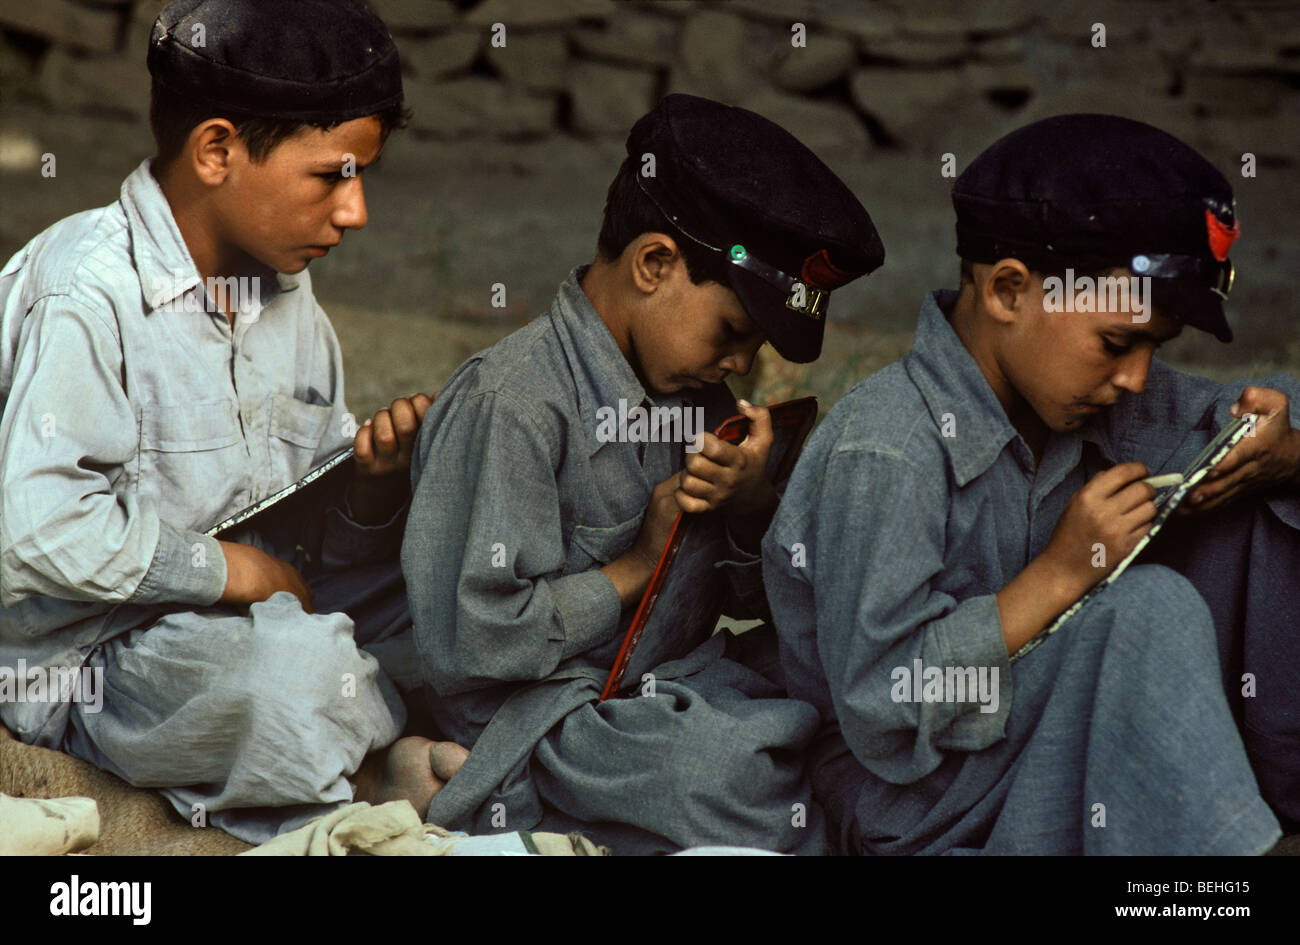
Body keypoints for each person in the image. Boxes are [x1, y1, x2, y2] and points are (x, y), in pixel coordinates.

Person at [763, 113, 1299, 855]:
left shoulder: (1090, 393)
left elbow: (1241, 414)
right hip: (918, 801)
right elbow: (885, 705)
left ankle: (1264, 810)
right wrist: (1059, 577)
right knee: (1144, 608)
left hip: (1031, 745)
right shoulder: (886, 447)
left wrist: (1285, 449)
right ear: (1010, 291)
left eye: (1155, 347)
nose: (1137, 376)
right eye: (1118, 342)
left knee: (1266, 468)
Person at [0, 0, 461, 844]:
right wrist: (225, 571)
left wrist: (372, 490)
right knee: (292, 677)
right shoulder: (87, 291)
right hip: (91, 655)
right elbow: (33, 531)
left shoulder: (287, 294)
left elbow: (301, 534)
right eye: (332, 175)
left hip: (247, 612)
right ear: (217, 150)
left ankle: (366, 726)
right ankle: (376, 757)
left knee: (461, 562)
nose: (355, 213)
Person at [401, 94, 885, 854]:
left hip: (672, 677)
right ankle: (448, 780)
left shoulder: (697, 397)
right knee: (720, 777)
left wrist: (752, 501)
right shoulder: (514, 402)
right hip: (547, 714)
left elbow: (757, 601)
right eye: (733, 333)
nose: (739, 366)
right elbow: (470, 644)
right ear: (655, 263)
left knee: (850, 691)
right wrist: (634, 565)